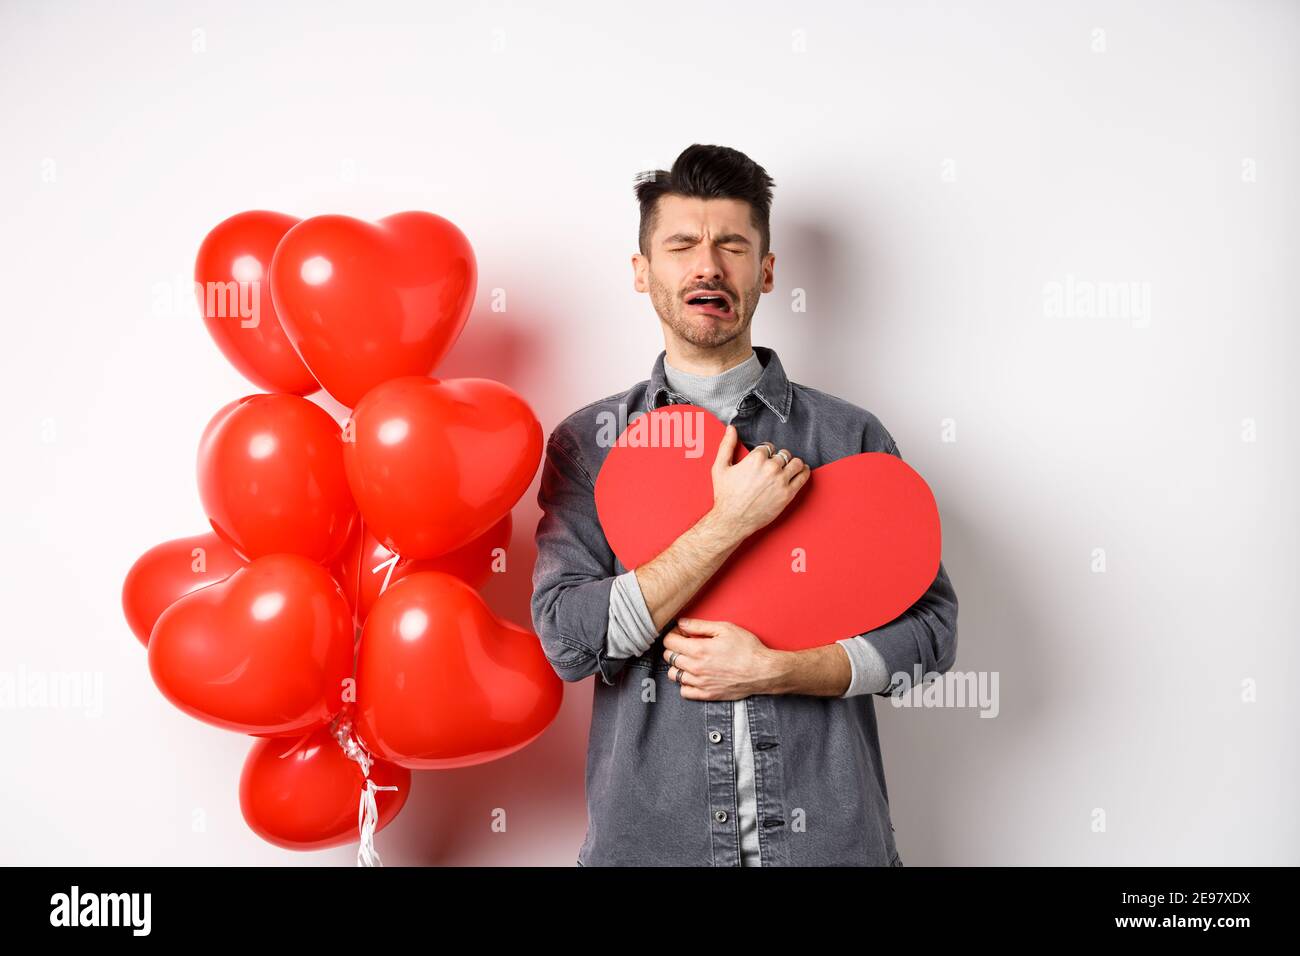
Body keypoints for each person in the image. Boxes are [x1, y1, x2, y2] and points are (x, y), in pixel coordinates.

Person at [530, 144, 958, 866]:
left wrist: (781, 669)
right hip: (654, 849)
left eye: (732, 244)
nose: (708, 265)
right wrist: (731, 521)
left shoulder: (849, 438)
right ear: (643, 272)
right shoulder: (589, 443)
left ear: (765, 270)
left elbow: (933, 640)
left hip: (830, 846)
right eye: (681, 245)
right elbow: (568, 642)